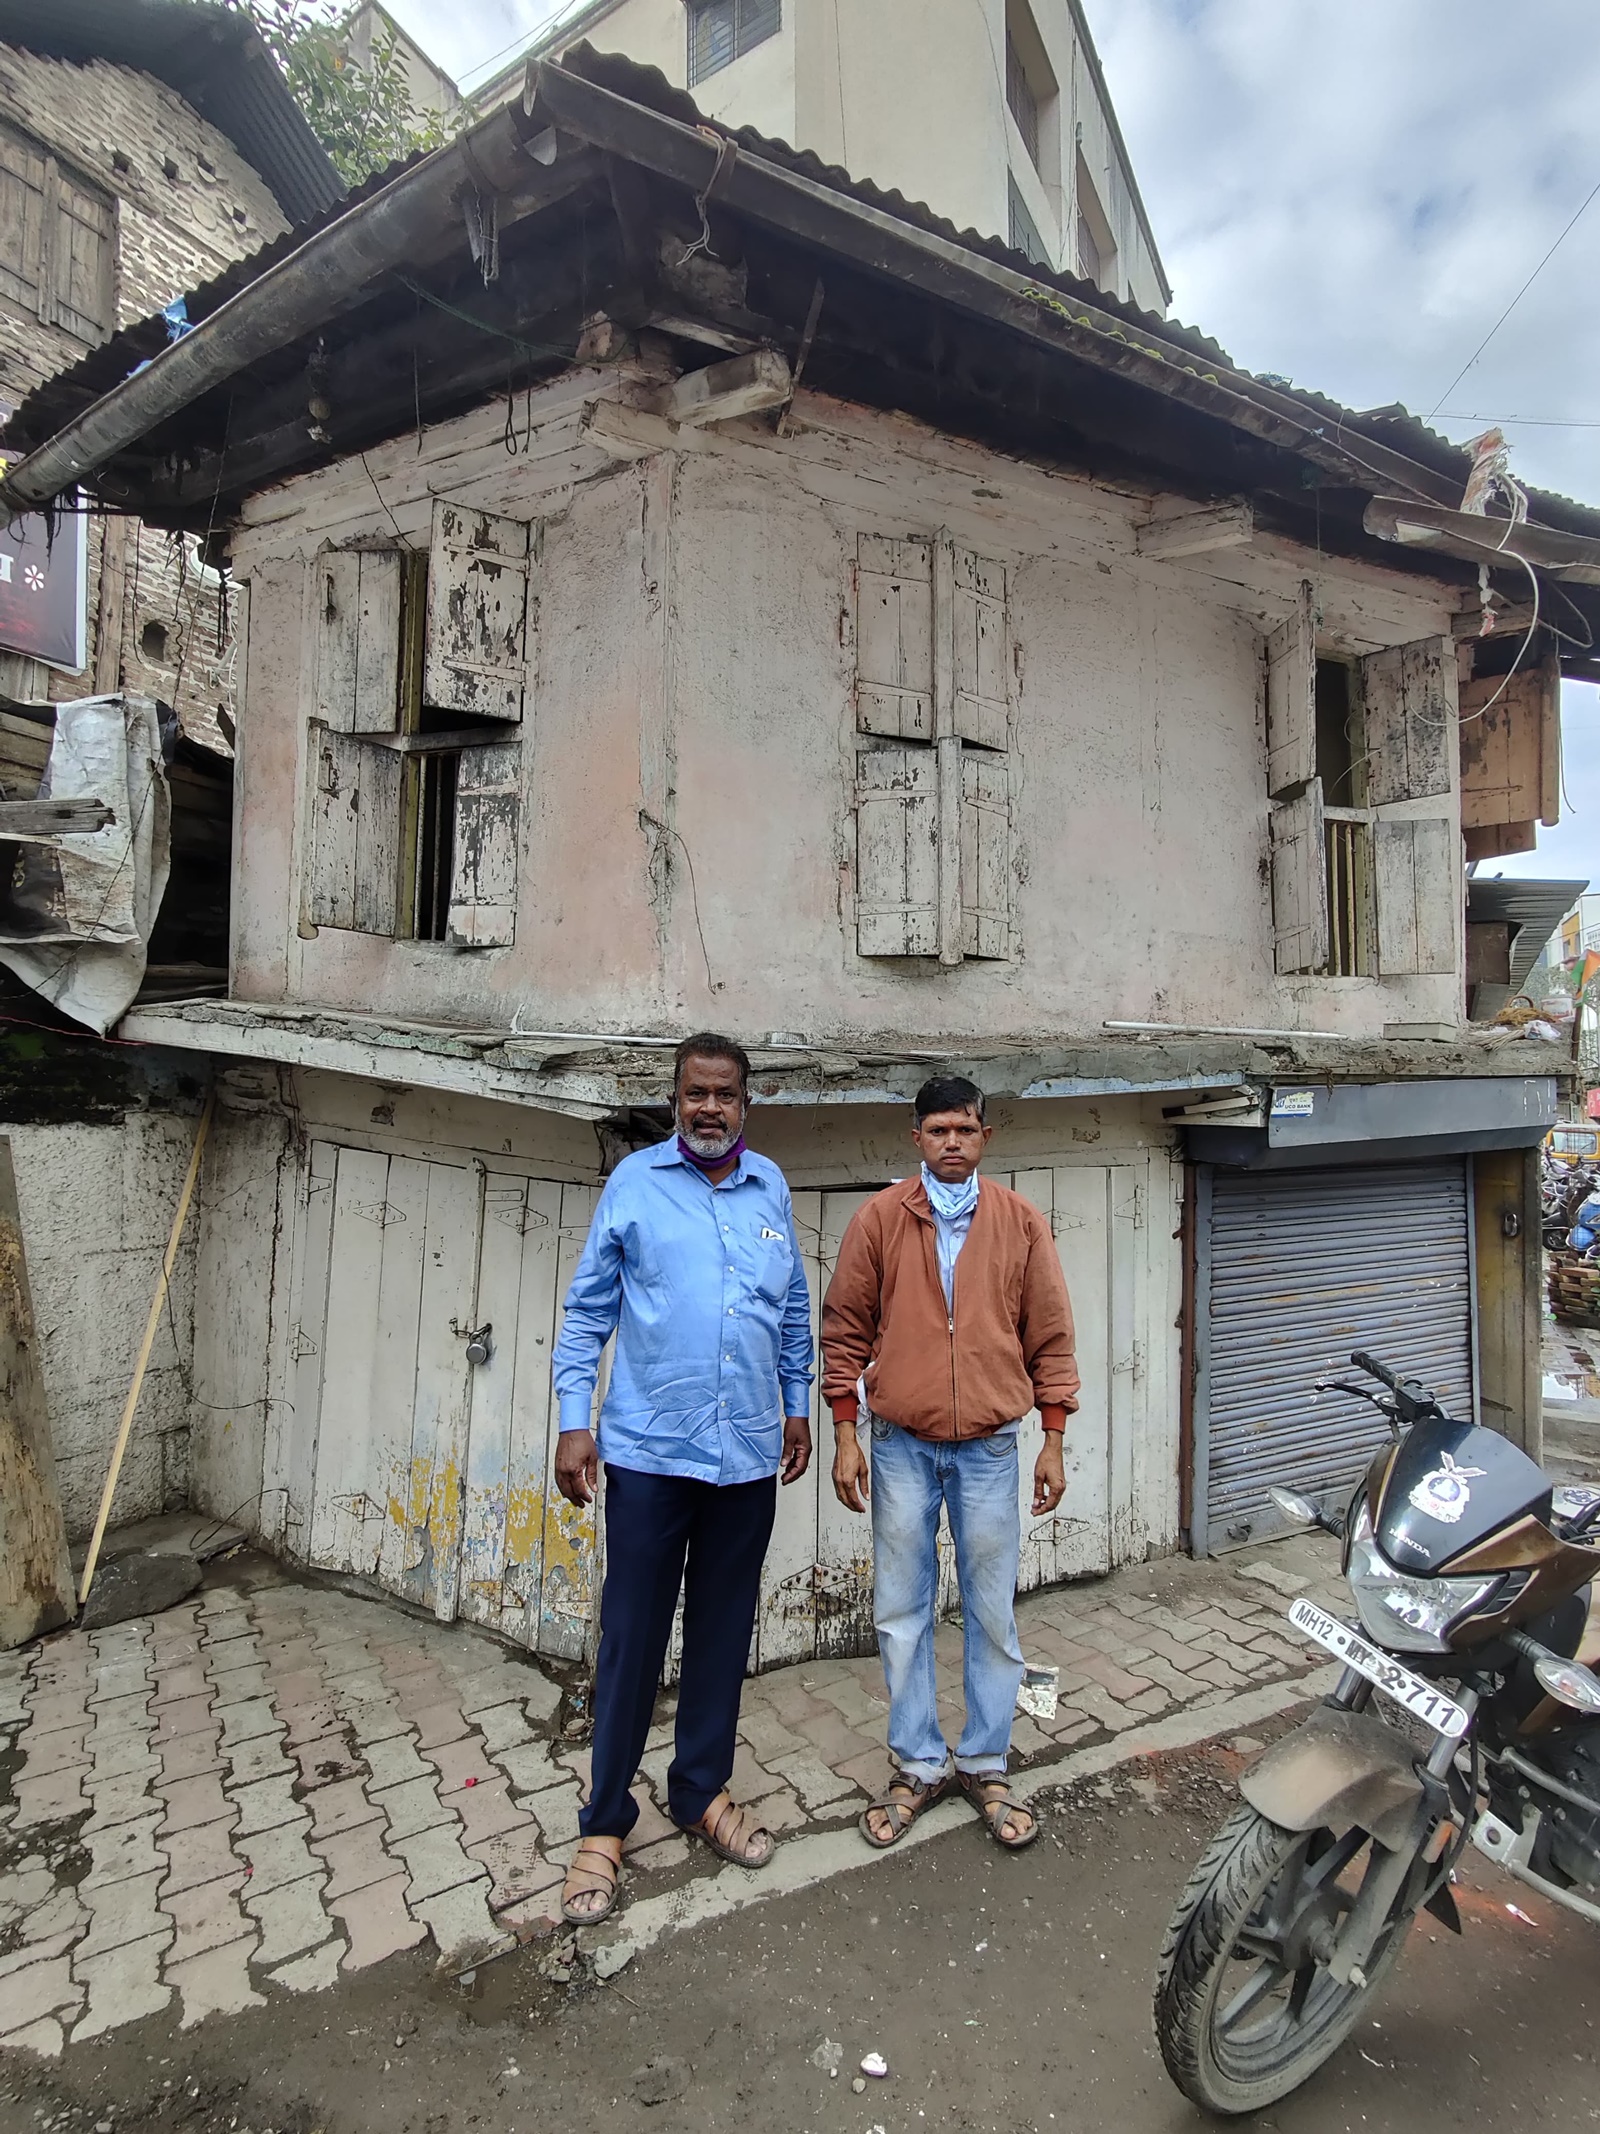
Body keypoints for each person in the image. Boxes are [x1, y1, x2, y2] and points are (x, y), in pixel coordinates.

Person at [550, 1033, 814, 1922]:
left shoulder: (770, 1187)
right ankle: (604, 1820)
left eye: (724, 1094)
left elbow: (793, 1310)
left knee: (722, 1633)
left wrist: (798, 1404)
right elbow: (587, 1312)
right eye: (695, 1093)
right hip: (649, 1455)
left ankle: (699, 1788)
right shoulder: (634, 1184)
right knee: (631, 1638)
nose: (709, 1108)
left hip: (745, 1457)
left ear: (747, 1103)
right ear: (675, 1101)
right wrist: (574, 1423)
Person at [822, 1075, 1078, 1852]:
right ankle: (919, 1763)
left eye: (965, 1130)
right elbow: (844, 1330)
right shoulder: (879, 1218)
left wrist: (1054, 1436)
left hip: (991, 1449)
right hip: (900, 1444)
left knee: (992, 1612)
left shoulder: (1020, 1222)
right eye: (938, 1131)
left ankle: (986, 1761)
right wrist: (844, 1433)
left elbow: (1050, 1335)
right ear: (918, 1139)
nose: (952, 1143)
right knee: (901, 1610)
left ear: (984, 1137)